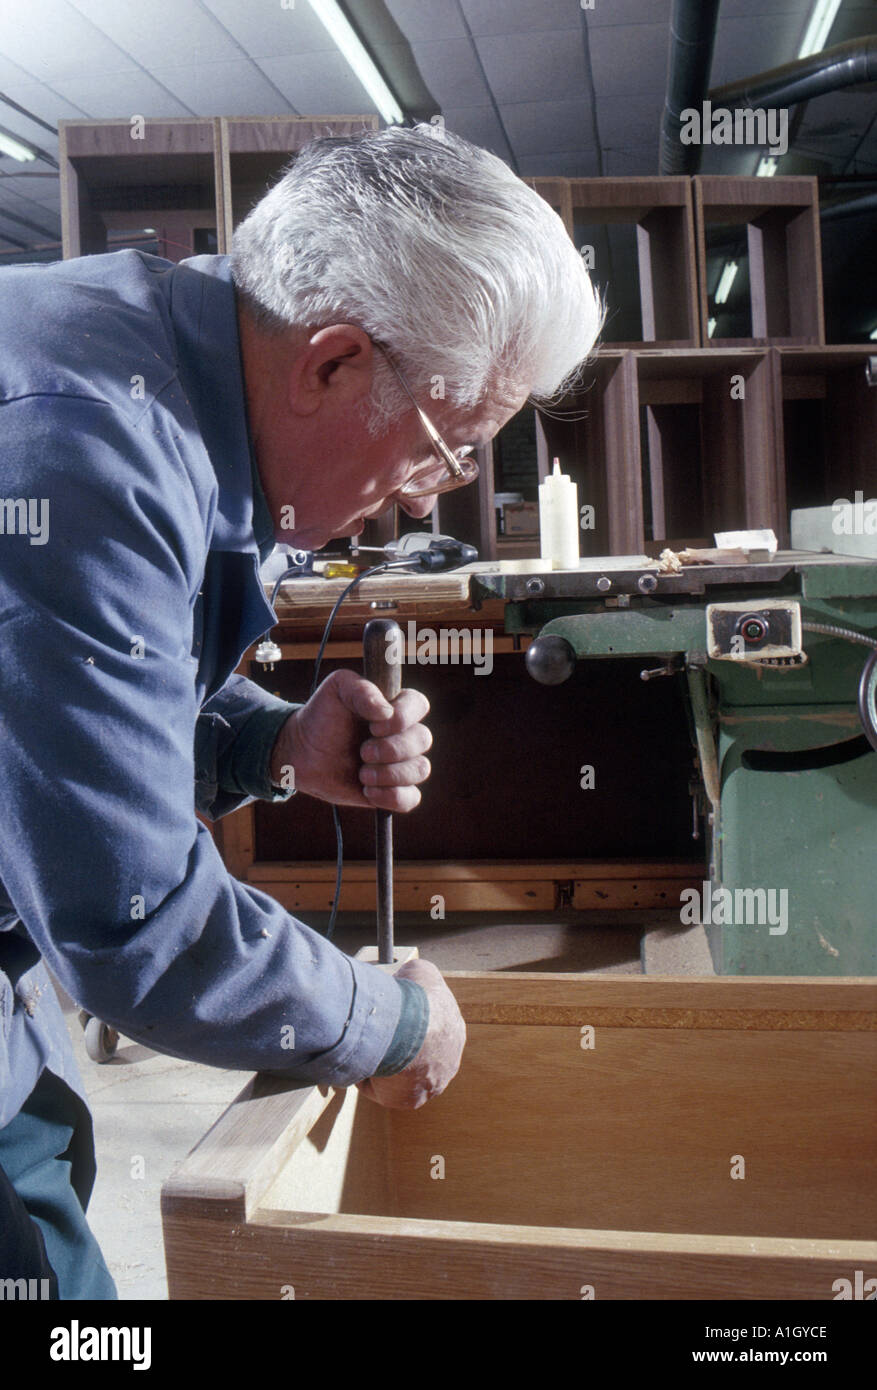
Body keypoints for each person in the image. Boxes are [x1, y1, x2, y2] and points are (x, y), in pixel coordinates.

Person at [0, 124, 603, 1298]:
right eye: (451, 445)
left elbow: (58, 698)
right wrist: (387, 1022)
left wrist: (263, 734)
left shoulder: (172, 364)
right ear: (329, 363)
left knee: (51, 1183)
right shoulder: (86, 447)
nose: (429, 492)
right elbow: (134, 924)